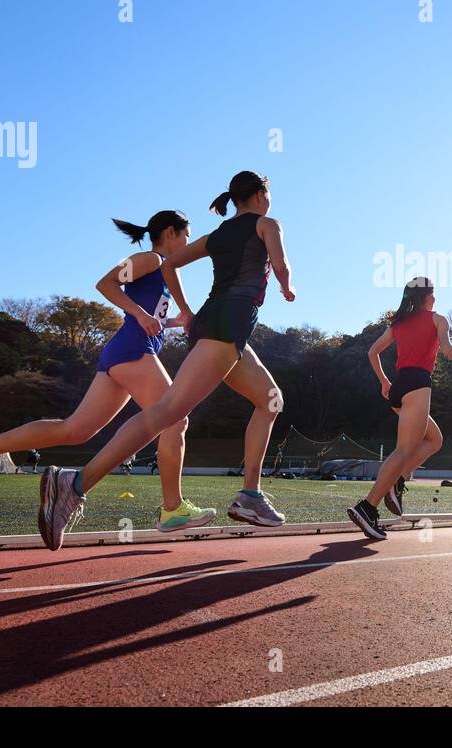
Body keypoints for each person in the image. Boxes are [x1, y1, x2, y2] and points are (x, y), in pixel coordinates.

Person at [37, 171, 295, 550]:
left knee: (271, 399)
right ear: (260, 195)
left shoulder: (216, 235)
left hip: (224, 327)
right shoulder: (268, 223)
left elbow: (171, 266)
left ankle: (250, 495)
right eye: (268, 194)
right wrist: (287, 286)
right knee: (167, 412)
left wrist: (189, 312)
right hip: (226, 324)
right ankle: (73, 485)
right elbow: (281, 264)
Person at [0, 211, 217, 535]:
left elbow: (148, 315)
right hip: (133, 350)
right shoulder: (150, 258)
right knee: (176, 417)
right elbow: (105, 284)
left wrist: (170, 321)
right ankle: (172, 508)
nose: (189, 243)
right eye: (187, 236)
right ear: (171, 232)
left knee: (75, 430)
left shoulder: (162, 272)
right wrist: (140, 312)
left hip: (127, 353)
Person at [348, 277, 452, 540]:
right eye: (434, 293)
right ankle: (367, 507)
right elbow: (448, 350)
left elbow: (373, 352)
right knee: (404, 450)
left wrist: (384, 381)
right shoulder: (437, 319)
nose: (436, 298)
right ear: (427, 296)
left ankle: (398, 480)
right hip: (417, 385)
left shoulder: (398, 322)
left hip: (398, 389)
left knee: (435, 440)